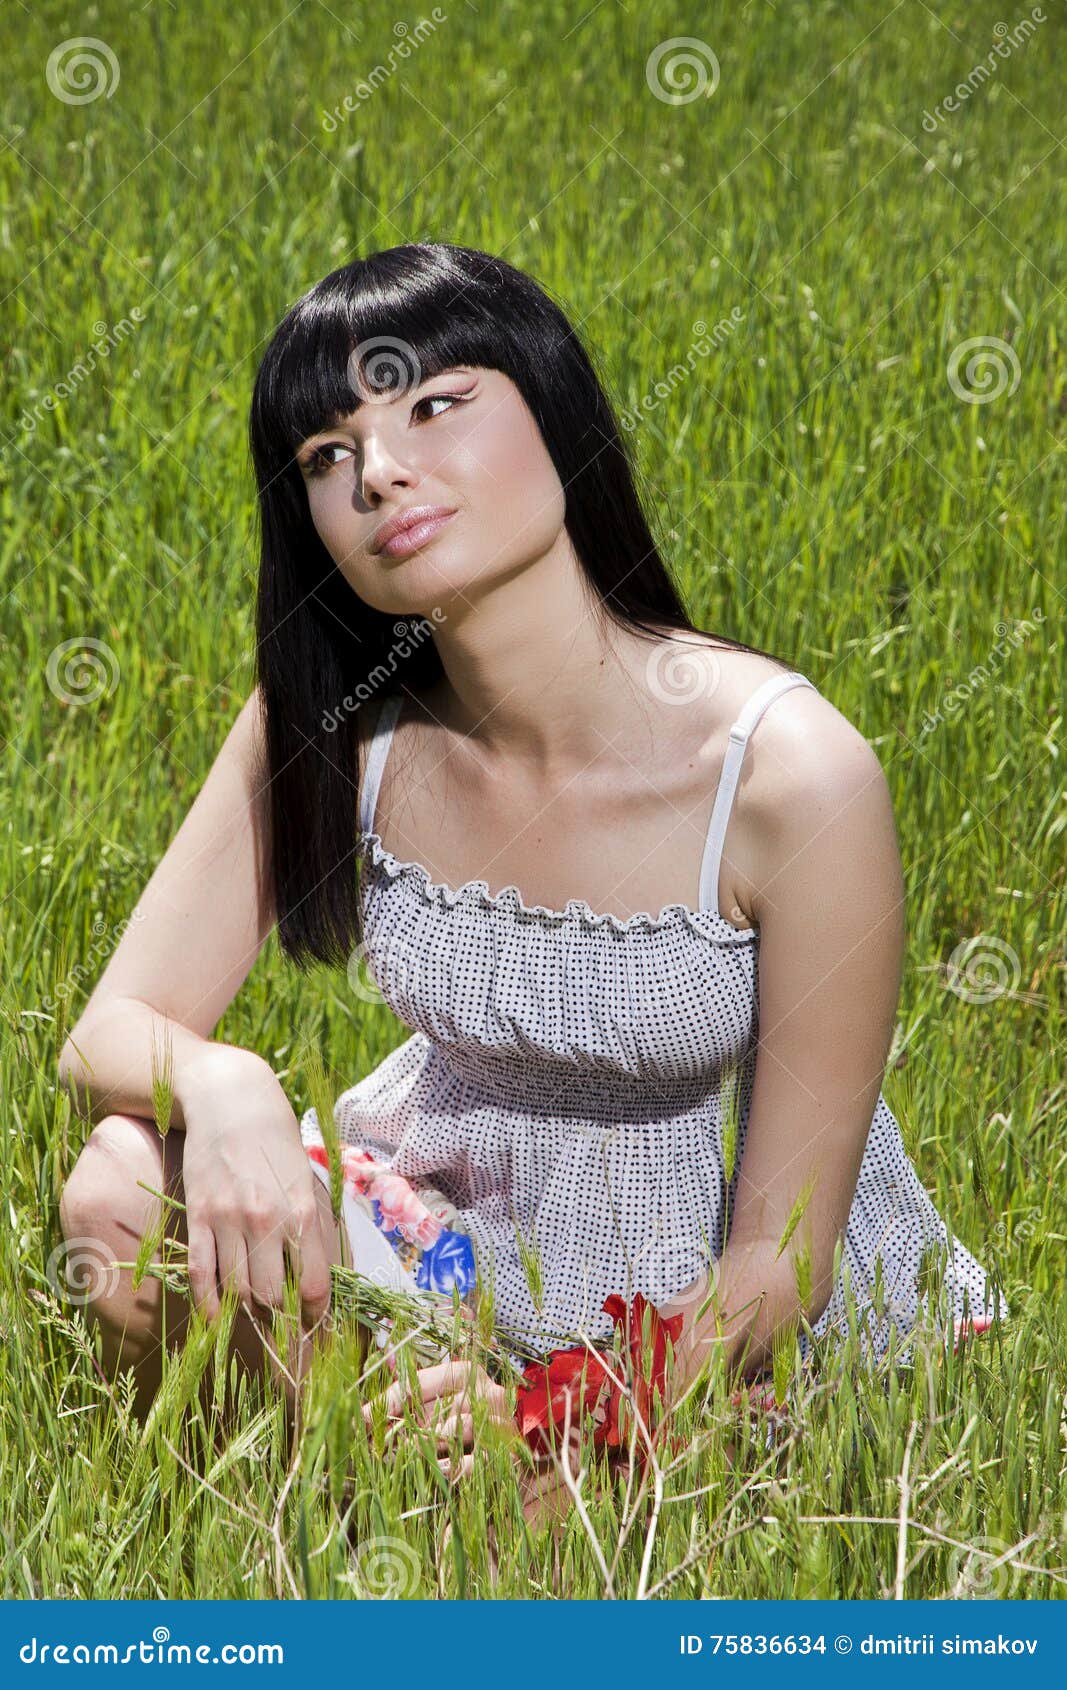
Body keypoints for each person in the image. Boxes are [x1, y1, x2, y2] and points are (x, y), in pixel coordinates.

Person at [57, 242, 1007, 1531]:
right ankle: (297, 1526)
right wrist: (227, 1084)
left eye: (431, 405)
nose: (378, 469)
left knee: (558, 1531)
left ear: (557, 412)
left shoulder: (789, 772)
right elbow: (109, 1034)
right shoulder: (332, 724)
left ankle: (457, 1505)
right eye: (327, 456)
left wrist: (551, 1411)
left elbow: (782, 1267)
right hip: (451, 1240)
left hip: (706, 1326)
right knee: (122, 1184)